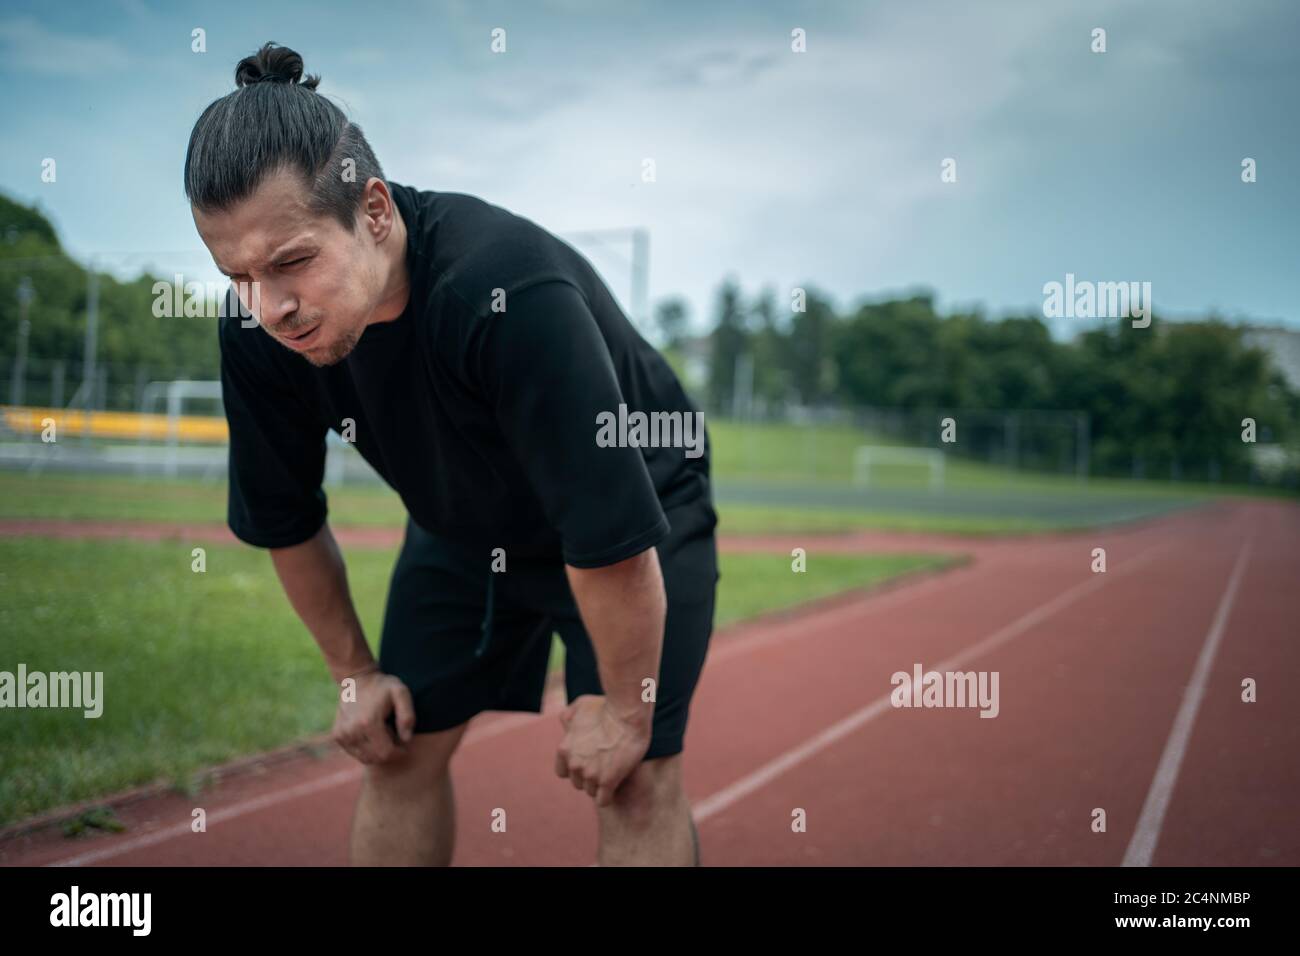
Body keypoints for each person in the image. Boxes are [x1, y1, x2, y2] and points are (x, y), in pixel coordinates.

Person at [185, 42, 718, 866]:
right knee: (395, 747)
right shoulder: (257, 331)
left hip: (641, 509)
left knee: (635, 774)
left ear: (373, 210)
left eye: (293, 262)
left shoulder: (506, 295)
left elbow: (609, 537)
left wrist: (627, 711)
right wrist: (355, 675)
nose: (274, 307)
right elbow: (285, 520)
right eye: (238, 276)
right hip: (467, 527)